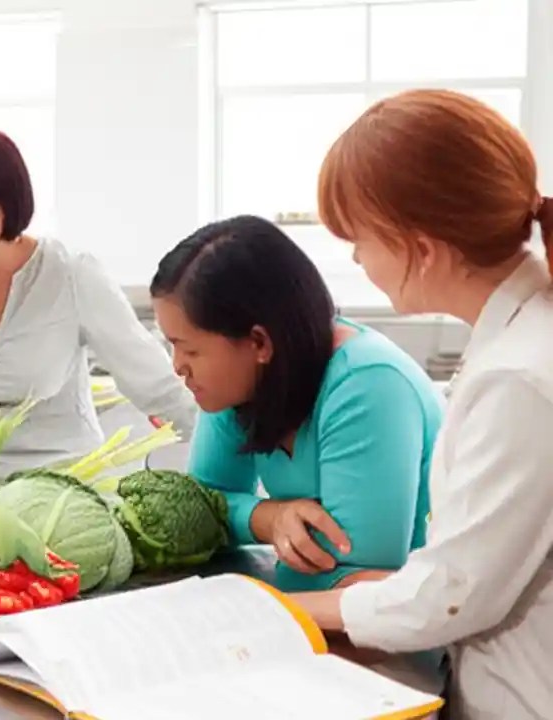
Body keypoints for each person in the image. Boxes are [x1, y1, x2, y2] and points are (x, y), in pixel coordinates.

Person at [290, 89, 553, 718]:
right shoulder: (516, 339)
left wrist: (293, 608)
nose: (358, 259)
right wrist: (401, 587)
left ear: (422, 248)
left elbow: (451, 598)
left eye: (359, 240)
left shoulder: (519, 376)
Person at [150, 214, 443, 593]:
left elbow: (357, 574)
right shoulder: (234, 386)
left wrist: (245, 523)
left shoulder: (368, 385)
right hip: (314, 607)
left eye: (190, 350)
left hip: (408, 618)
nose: (178, 367)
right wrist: (268, 518)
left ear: (259, 343)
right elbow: (201, 508)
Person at [0, 128, 196, 481]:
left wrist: (234, 451)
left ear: (7, 213)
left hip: (69, 481)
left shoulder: (71, 273)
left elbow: (156, 385)